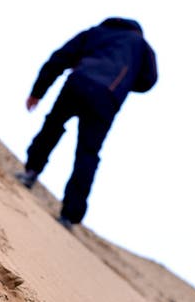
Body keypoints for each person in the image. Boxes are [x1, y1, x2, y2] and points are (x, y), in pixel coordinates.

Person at [16, 17, 158, 229]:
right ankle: (69, 215)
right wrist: (123, 83)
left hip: (78, 82)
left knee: (53, 126)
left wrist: (38, 92)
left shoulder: (97, 32)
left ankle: (31, 172)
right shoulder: (142, 47)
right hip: (107, 98)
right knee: (87, 153)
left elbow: (60, 57)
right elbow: (149, 80)